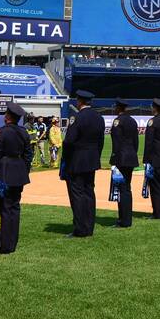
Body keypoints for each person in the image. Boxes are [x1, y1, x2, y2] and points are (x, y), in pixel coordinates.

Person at [0, 103, 33, 255]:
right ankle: (12, 243)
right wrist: (23, 170)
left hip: (3, 172)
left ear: (8, 117)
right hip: (19, 173)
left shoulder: (0, 132)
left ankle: (3, 246)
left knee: (2, 210)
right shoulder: (24, 132)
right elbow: (28, 155)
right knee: (14, 208)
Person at [61, 91, 104, 237]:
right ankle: (89, 227)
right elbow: (100, 142)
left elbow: (69, 141)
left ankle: (80, 228)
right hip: (92, 160)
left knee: (77, 194)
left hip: (77, 160)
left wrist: (65, 160)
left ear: (79, 101)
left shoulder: (77, 118)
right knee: (89, 193)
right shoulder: (99, 117)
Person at [109, 100, 139, 228]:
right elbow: (136, 141)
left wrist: (114, 158)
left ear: (118, 108)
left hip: (121, 158)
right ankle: (127, 218)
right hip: (131, 157)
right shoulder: (132, 120)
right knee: (127, 188)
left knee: (121, 189)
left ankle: (123, 219)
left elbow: (116, 141)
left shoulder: (118, 121)